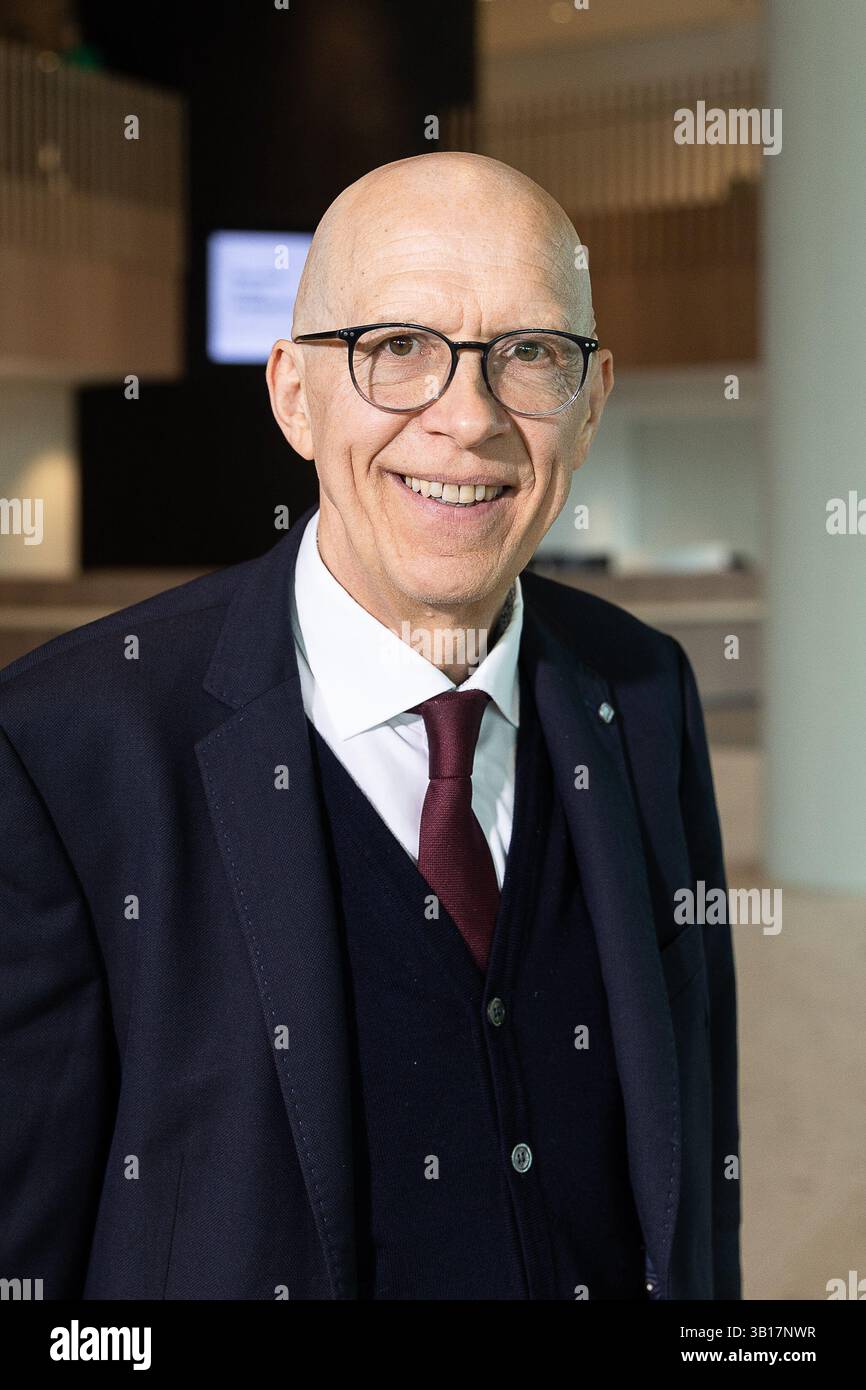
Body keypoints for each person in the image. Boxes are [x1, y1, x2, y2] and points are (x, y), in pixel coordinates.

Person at [0, 152, 740, 1300]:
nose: (468, 418)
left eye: (529, 354)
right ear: (294, 393)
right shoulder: (66, 745)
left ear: (589, 403)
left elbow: (693, 1167)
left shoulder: (640, 690)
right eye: (398, 349)